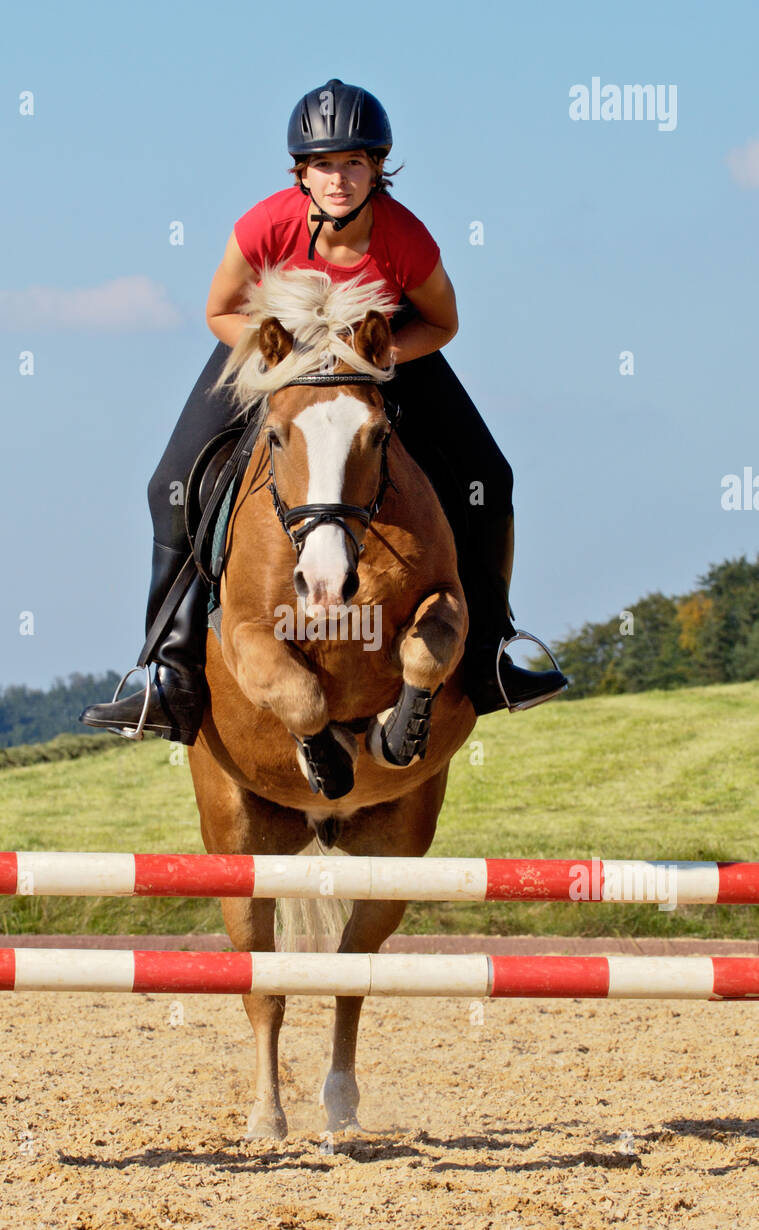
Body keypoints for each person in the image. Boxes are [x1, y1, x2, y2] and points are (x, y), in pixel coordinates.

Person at [80, 78, 567, 741]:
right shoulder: (264, 224)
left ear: (378, 169)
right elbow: (219, 312)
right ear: (301, 173)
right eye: (323, 165)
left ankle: (488, 660)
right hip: (277, 350)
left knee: (490, 476)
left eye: (353, 163)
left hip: (379, 350)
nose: (338, 179)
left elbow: (442, 324)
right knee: (168, 485)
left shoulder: (405, 237)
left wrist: (383, 360)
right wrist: (278, 364)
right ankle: (169, 678)